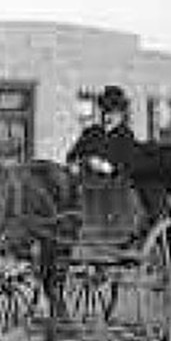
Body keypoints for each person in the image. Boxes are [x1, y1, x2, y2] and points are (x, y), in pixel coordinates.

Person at [67, 85, 146, 242]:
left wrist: (109, 167)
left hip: (114, 187)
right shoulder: (90, 133)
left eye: (112, 113)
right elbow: (72, 155)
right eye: (105, 111)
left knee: (115, 191)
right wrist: (75, 163)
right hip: (85, 184)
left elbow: (130, 164)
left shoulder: (126, 136)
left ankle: (114, 234)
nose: (107, 117)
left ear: (121, 114)